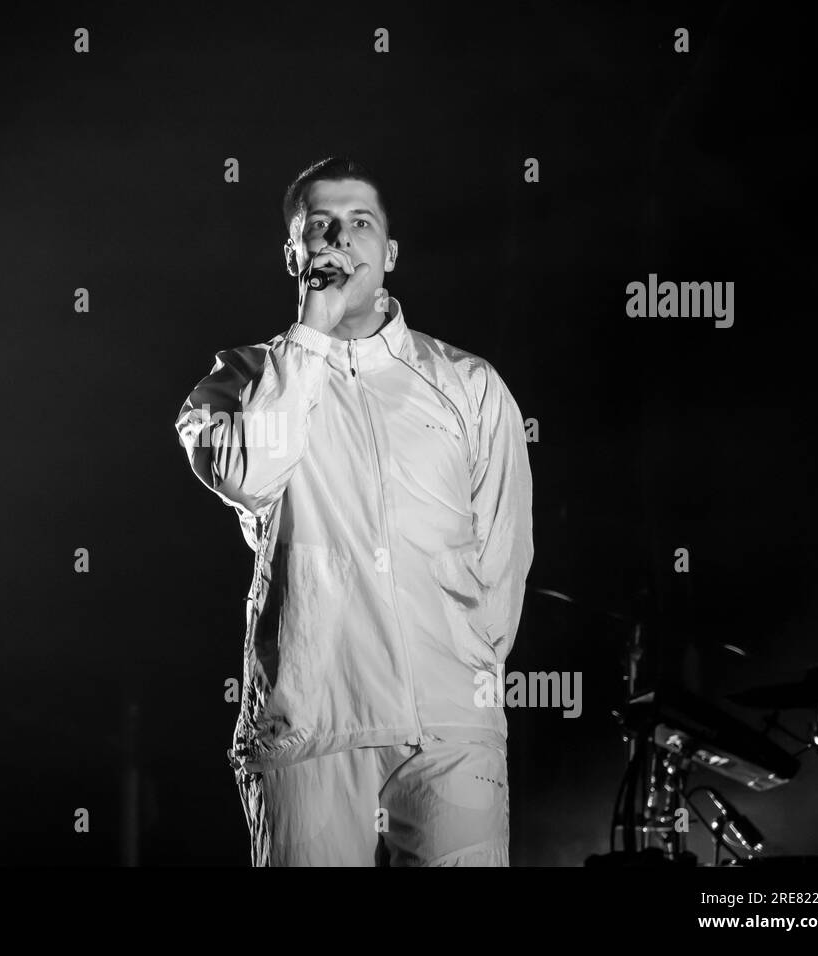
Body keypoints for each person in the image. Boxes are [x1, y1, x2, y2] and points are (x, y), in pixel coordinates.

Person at [174, 157, 534, 866]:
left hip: (450, 733)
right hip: (310, 731)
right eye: (322, 225)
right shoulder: (236, 381)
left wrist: (463, 682)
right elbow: (248, 473)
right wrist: (312, 333)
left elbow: (503, 554)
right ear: (293, 254)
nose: (341, 238)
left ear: (390, 253)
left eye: (360, 223)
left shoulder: (468, 384)